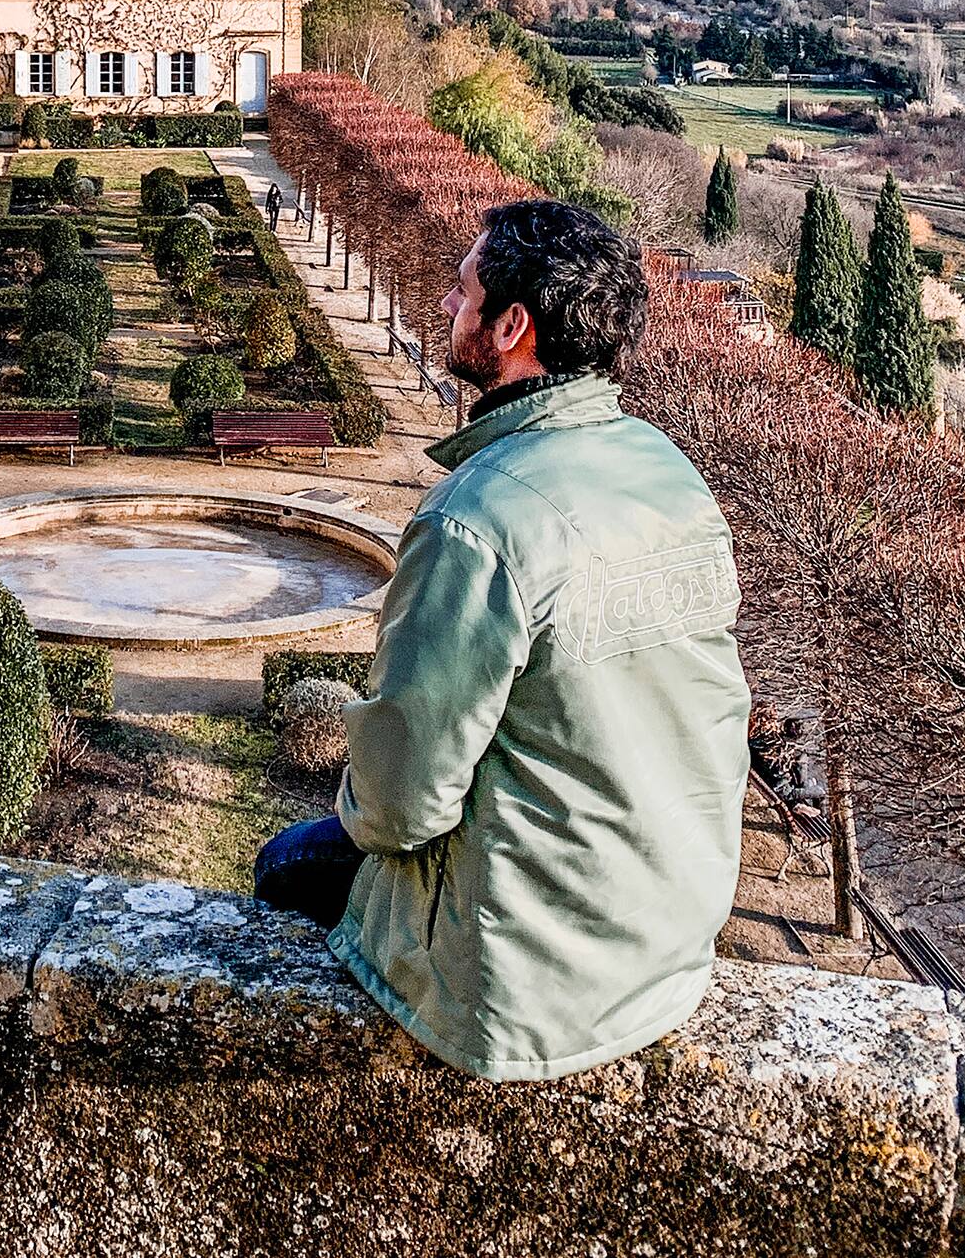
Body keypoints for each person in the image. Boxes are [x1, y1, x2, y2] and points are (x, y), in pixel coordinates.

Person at [254, 198, 749, 1082]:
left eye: (462, 290)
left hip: (532, 983)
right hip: (671, 930)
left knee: (288, 863)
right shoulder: (668, 466)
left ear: (513, 325)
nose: (446, 305)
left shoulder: (476, 519)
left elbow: (401, 801)